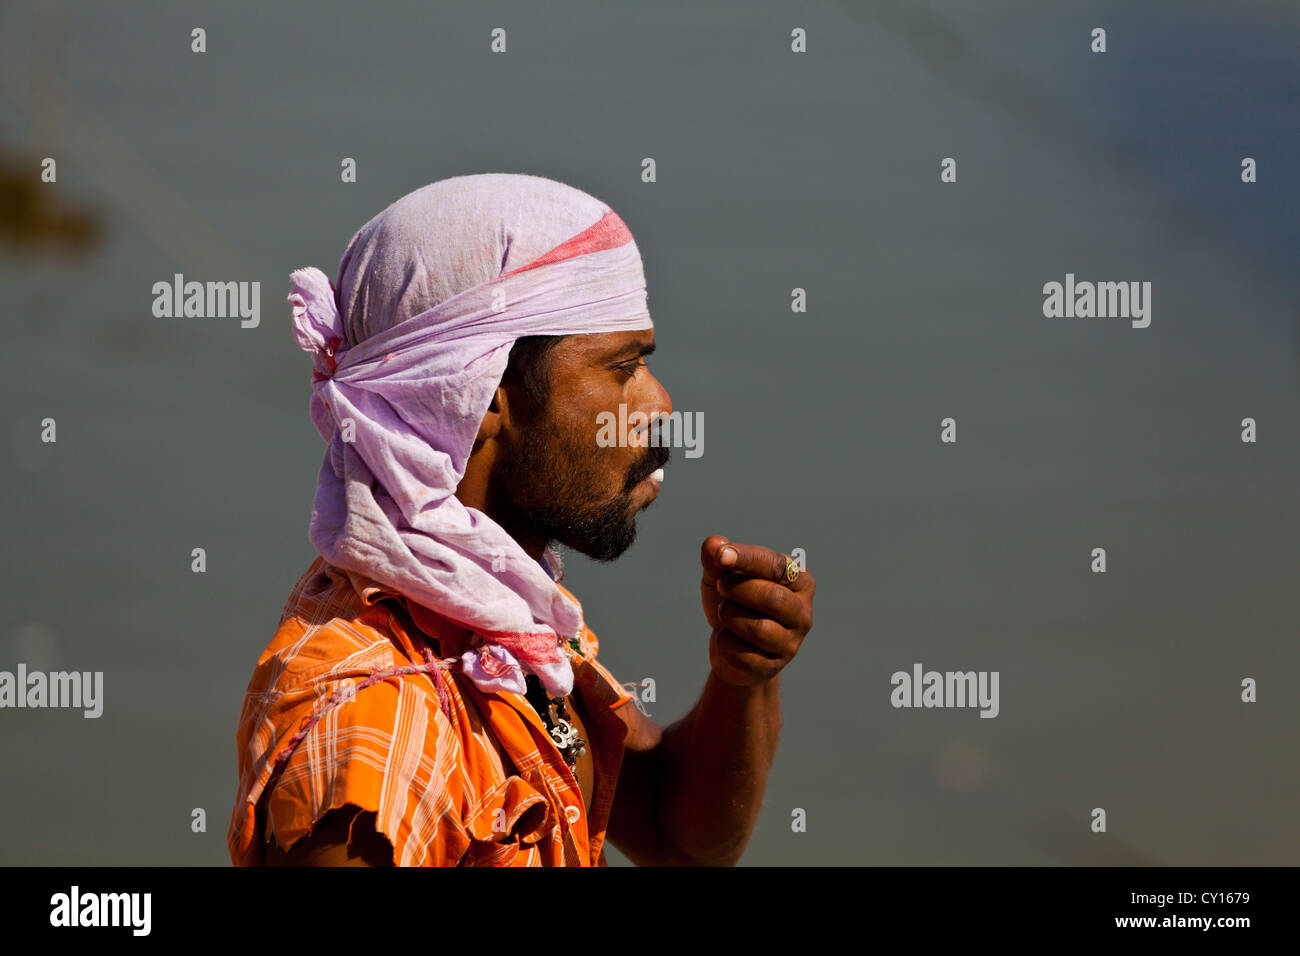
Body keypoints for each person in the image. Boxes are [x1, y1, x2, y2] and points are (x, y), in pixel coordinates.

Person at [226, 173, 816, 866]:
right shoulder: (376, 747)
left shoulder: (493, 612)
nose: (659, 408)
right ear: (485, 394)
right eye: (622, 368)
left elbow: (675, 833)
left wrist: (743, 677)